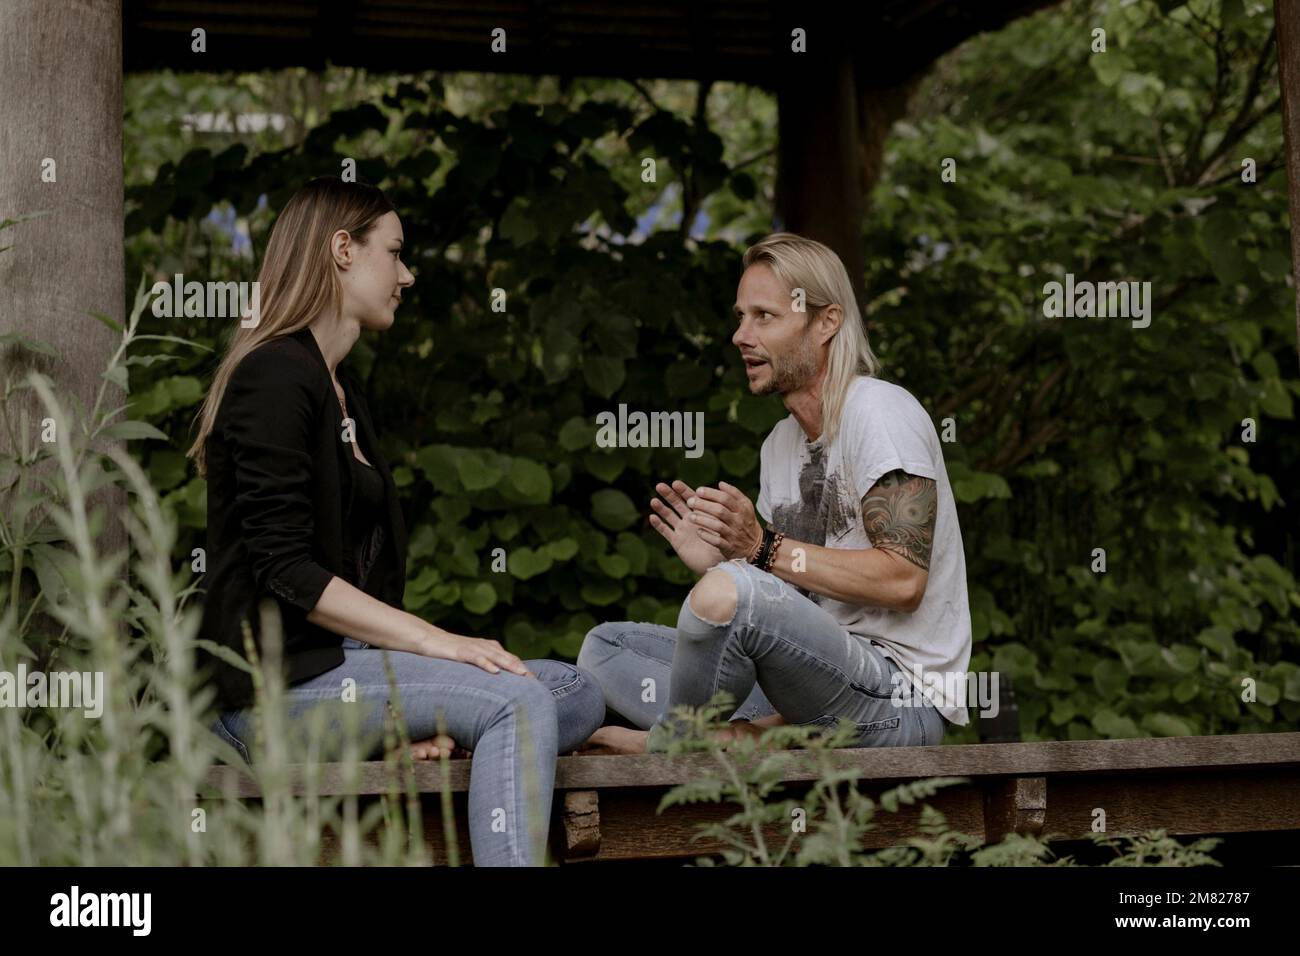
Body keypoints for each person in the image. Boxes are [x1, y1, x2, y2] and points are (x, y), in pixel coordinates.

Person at [187, 177, 605, 866]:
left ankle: (385, 731)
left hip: (340, 673)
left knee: (573, 691)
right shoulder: (274, 376)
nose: (407, 275)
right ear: (342, 249)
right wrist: (441, 644)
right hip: (268, 693)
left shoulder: (341, 387)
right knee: (517, 703)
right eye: (396, 252)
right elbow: (286, 569)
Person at [579, 233, 971, 754]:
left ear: (826, 321)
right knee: (605, 647)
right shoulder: (779, 446)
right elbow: (784, 598)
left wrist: (756, 555)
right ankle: (760, 736)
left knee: (730, 592)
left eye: (764, 316)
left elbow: (903, 582)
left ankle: (674, 747)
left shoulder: (880, 415)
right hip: (810, 688)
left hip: (896, 702)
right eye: (740, 316)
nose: (741, 335)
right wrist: (722, 560)